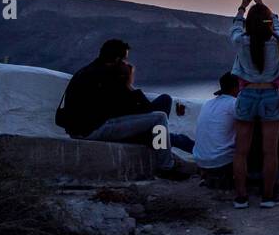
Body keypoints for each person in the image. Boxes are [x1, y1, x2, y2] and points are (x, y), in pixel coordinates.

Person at [55, 38, 191, 178]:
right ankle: (166, 166)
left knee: (164, 102)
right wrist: (128, 81)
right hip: (94, 129)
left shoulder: (85, 71)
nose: (125, 62)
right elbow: (142, 109)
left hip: (82, 128)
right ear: (116, 59)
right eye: (124, 59)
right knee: (160, 117)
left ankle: (154, 140)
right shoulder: (108, 76)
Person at [230, 0, 279, 208]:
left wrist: (243, 7)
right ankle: (268, 196)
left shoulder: (240, 41)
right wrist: (264, 5)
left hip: (247, 94)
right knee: (269, 151)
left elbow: (235, 27)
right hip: (271, 95)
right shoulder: (278, 40)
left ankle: (241, 197)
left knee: (241, 150)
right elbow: (278, 25)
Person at [193, 73, 240, 185]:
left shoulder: (208, 103)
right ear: (236, 88)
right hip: (221, 163)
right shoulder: (235, 103)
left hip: (200, 160)